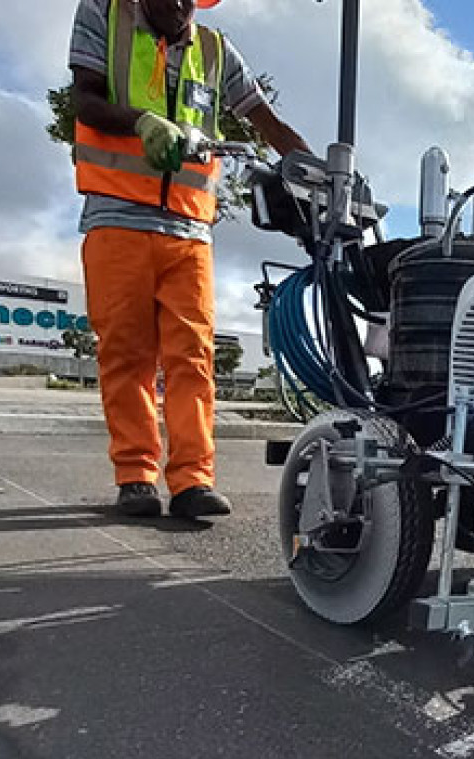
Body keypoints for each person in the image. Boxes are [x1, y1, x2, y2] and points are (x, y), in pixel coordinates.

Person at [69, 0, 309, 517]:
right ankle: (135, 476)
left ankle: (192, 482)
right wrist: (141, 121)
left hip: (190, 226)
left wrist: (317, 169)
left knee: (193, 356)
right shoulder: (103, 17)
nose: (180, 6)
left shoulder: (215, 50)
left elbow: (264, 120)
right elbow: (85, 101)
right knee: (127, 352)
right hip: (118, 214)